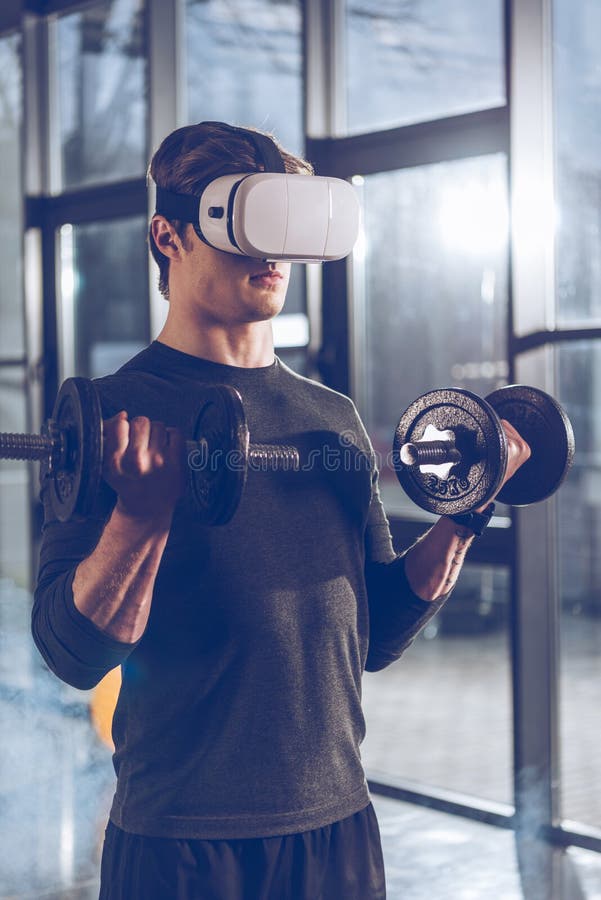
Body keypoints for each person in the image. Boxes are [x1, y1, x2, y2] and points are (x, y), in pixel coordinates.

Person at [31, 121, 530, 900]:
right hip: (181, 842)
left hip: (336, 829)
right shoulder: (110, 416)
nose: (271, 255)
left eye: (284, 229)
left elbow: (378, 631)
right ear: (170, 235)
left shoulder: (330, 416)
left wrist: (467, 505)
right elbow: (71, 654)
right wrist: (141, 515)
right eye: (245, 226)